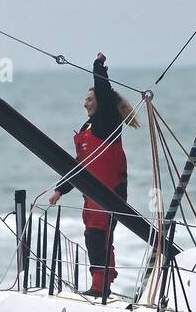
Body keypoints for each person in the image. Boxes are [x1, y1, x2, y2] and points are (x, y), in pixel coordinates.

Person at [49, 53, 139, 296]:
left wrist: (98, 68)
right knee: (93, 236)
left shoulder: (106, 122)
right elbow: (80, 164)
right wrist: (61, 189)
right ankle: (102, 283)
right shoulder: (87, 127)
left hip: (110, 192)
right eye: (85, 99)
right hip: (91, 195)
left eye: (89, 99)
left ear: (100, 102)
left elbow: (104, 92)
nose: (85, 103)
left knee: (98, 237)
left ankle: (100, 287)